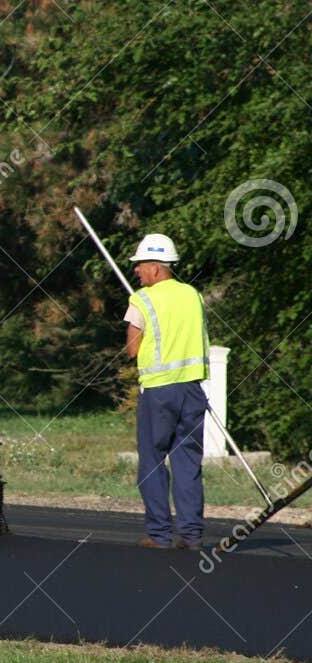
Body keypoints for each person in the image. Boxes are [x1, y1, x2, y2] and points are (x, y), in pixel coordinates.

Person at [122, 233, 208, 549]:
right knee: (188, 462)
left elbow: (132, 349)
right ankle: (191, 535)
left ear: (156, 267)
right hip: (192, 389)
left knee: (153, 461)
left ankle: (159, 535)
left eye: (141, 264)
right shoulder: (193, 295)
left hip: (158, 392)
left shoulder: (141, 299)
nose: (136, 270)